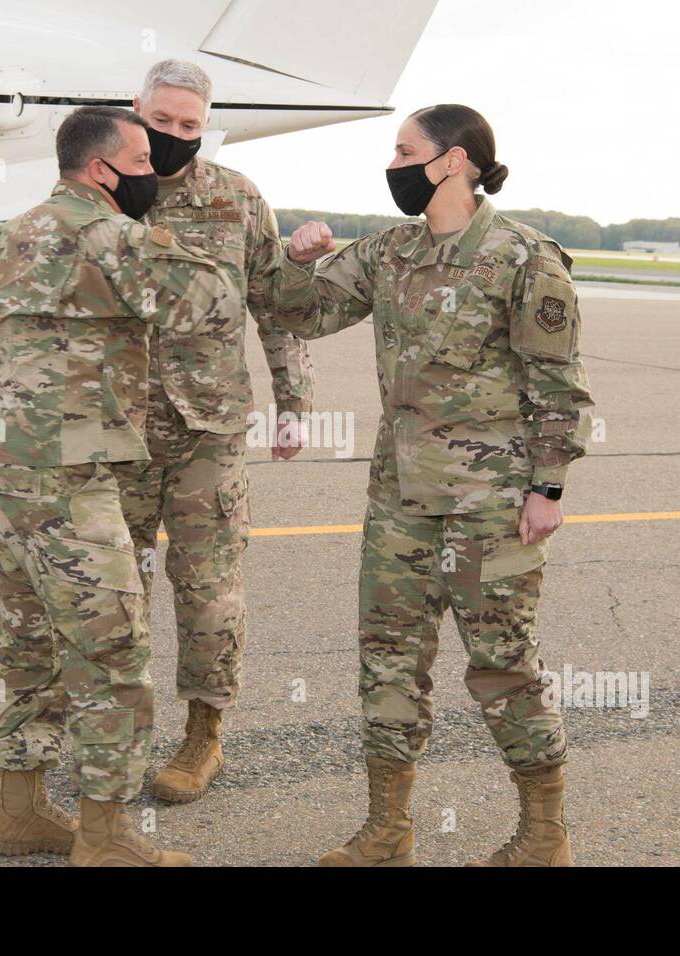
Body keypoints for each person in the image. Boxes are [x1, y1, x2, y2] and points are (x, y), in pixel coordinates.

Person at [271, 104, 594, 866]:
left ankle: (544, 834)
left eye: (404, 149)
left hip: (492, 507)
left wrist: (547, 488)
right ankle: (388, 828)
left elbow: (560, 383)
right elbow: (301, 313)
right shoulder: (389, 252)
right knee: (386, 658)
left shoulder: (523, 258)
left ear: (453, 161)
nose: (394, 163)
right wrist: (297, 258)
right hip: (400, 500)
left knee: (503, 664)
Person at [0, 105, 240, 866]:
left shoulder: (3, 237)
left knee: (31, 651)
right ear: (101, 171)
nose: (154, 177)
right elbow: (214, 301)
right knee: (114, 657)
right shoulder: (114, 239)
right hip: (72, 478)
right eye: (143, 164)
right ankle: (107, 837)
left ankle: (19, 812)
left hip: (5, 471)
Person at [120, 59, 315, 804]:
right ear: (135, 110)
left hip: (209, 432)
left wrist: (295, 402)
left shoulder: (236, 197)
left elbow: (277, 304)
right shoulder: (105, 190)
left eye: (189, 126)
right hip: (118, 432)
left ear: (206, 125)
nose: (174, 136)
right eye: (161, 122)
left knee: (209, 594)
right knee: (111, 590)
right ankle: (118, 733)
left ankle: (204, 737)